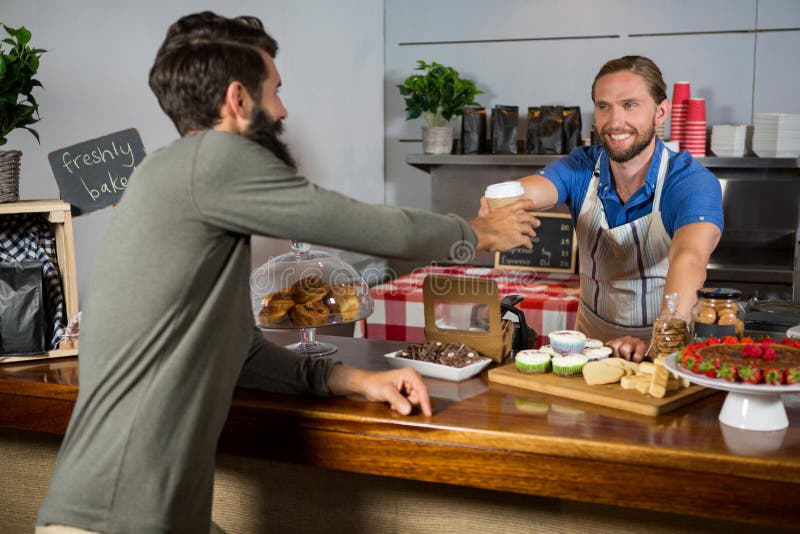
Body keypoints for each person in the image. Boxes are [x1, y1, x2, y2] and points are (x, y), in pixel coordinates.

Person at [36, 12, 539, 534]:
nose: (282, 109)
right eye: (274, 91)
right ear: (237, 99)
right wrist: (476, 231)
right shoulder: (211, 159)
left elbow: (242, 353)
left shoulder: (174, 177)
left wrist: (353, 379)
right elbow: (351, 221)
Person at [483, 56, 723, 362]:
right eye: (604, 106)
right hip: (589, 347)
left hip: (665, 348)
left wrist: (661, 341)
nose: (614, 122)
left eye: (630, 105)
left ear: (661, 111)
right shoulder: (580, 167)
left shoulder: (691, 182)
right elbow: (533, 190)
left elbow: (690, 259)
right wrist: (502, 199)